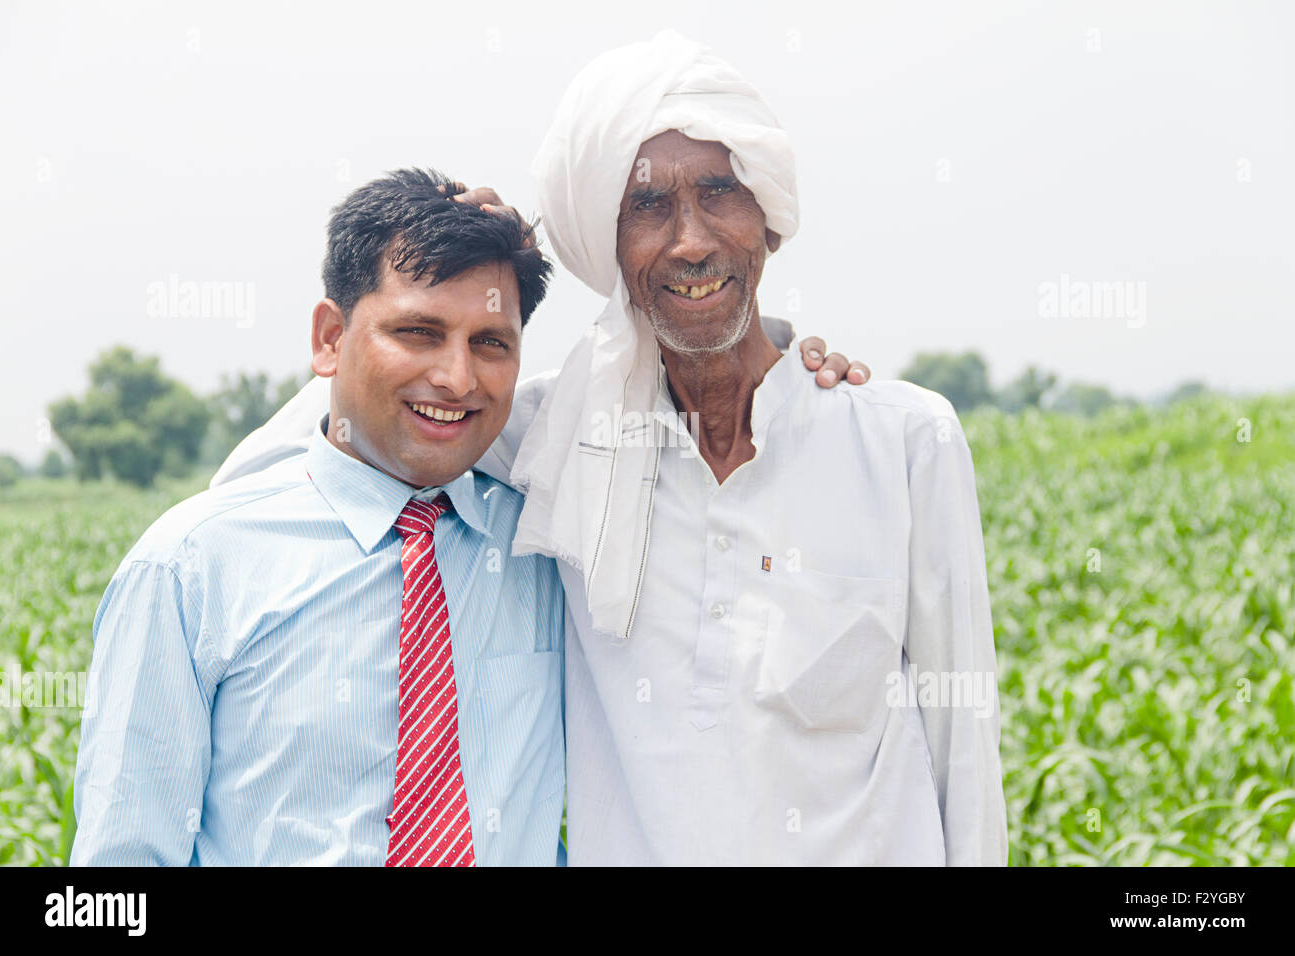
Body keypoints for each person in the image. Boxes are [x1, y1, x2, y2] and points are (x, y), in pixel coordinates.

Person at [502, 31, 1009, 864]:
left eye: (719, 192)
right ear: (607, 245)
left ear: (768, 222)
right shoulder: (553, 443)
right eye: (646, 206)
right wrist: (458, 248)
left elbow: (965, 749)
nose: (691, 241)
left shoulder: (904, 441)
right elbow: (378, 417)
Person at [71, 169, 566, 866]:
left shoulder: (549, 548)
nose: (457, 378)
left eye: (490, 343)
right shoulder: (190, 568)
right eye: (417, 332)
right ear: (331, 337)